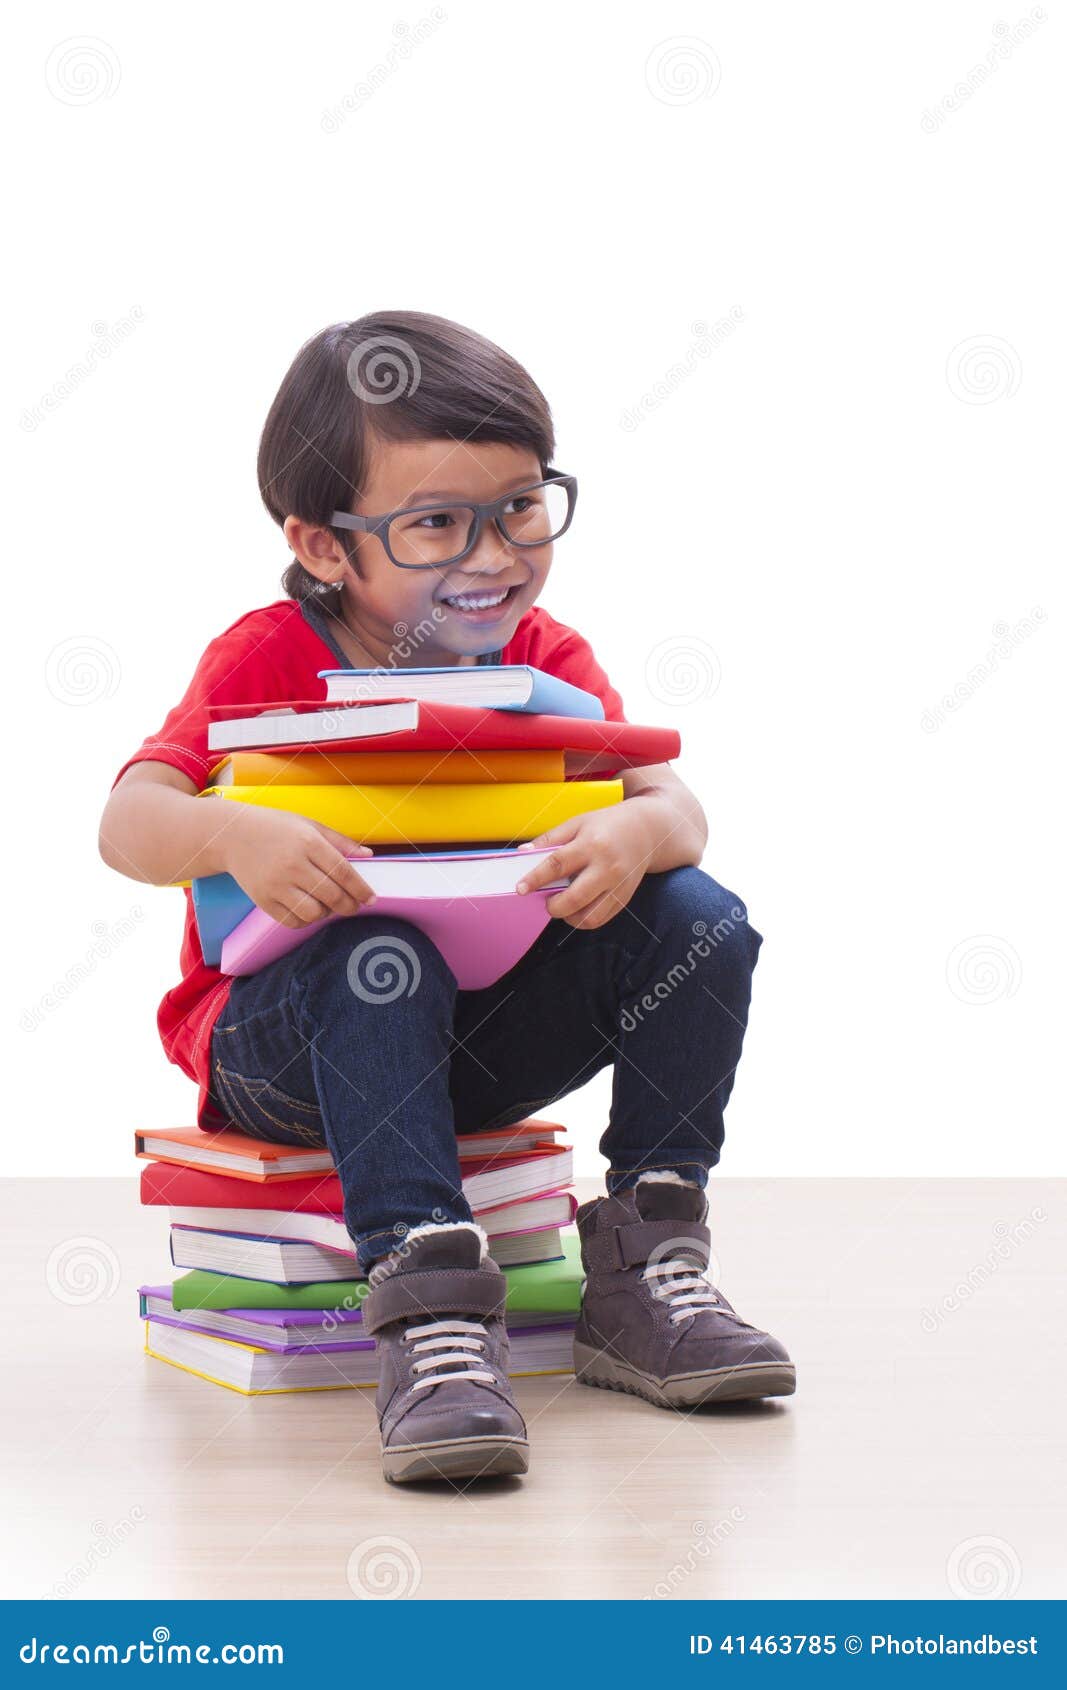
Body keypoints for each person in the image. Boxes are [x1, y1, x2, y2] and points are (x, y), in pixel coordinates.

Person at [99, 311, 794, 1486]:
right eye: (435, 524)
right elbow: (128, 824)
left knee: (699, 914)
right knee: (382, 955)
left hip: (477, 1035)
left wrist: (627, 831)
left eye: (520, 507)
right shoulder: (265, 653)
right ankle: (429, 1314)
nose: (493, 556)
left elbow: (677, 811)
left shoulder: (544, 657)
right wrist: (230, 829)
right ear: (325, 547)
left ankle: (644, 1262)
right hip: (286, 1052)